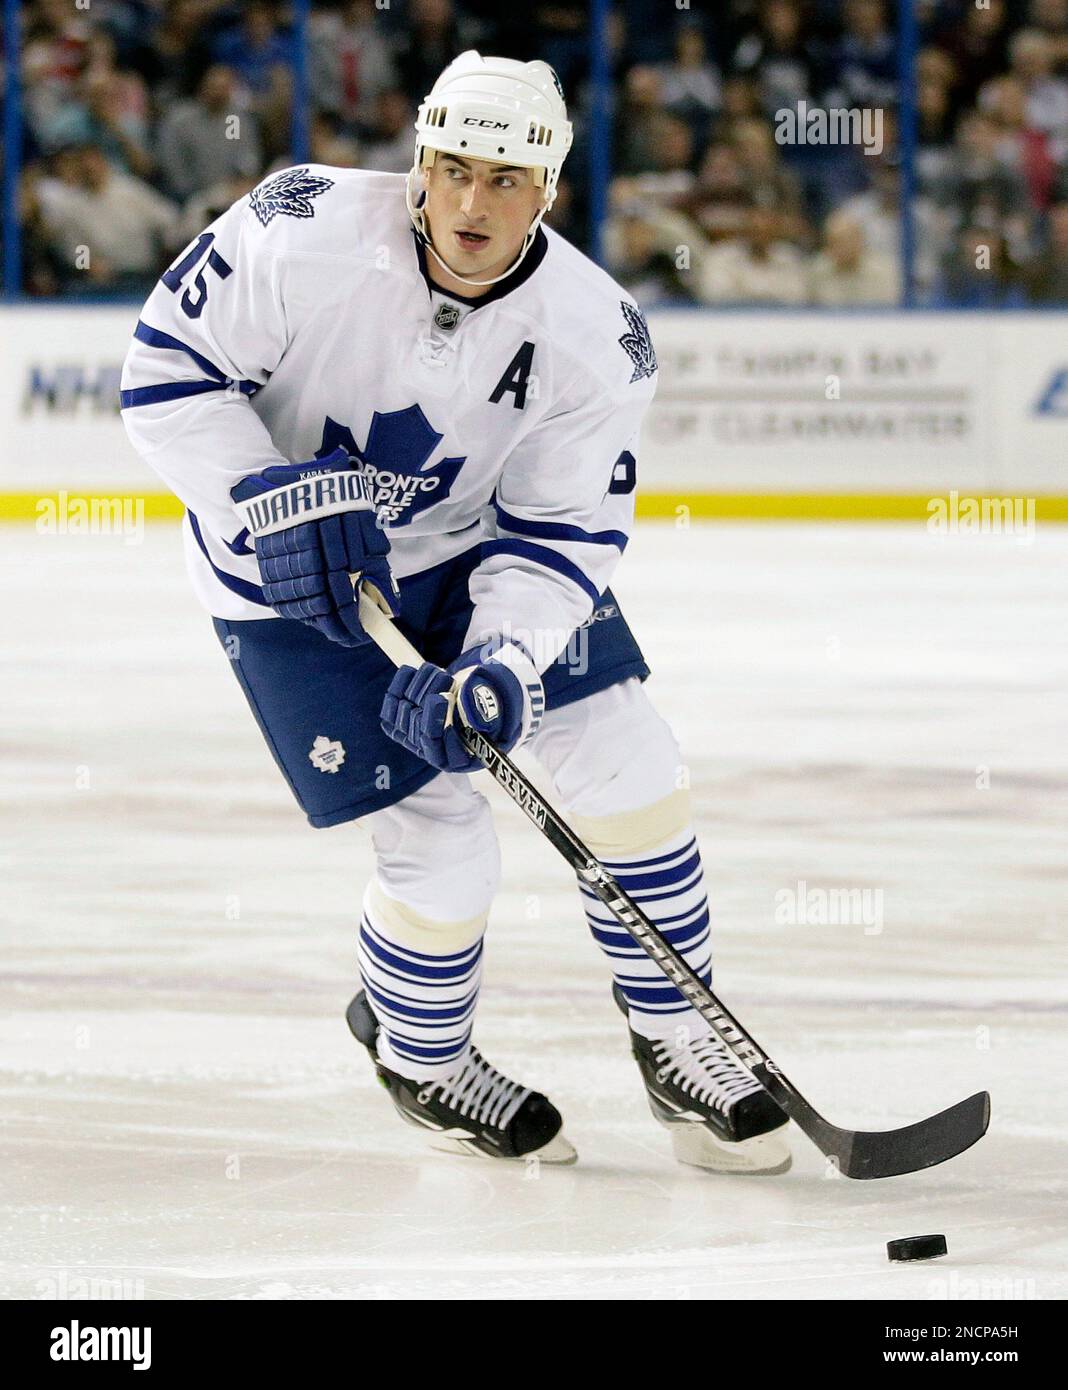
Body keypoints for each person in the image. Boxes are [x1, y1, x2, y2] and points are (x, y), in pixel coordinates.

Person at [120, 52, 790, 1175]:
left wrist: (502, 664)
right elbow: (165, 370)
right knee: (445, 850)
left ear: (551, 191)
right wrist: (262, 496)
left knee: (632, 772)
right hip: (295, 580)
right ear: (421, 161)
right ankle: (423, 1056)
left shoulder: (597, 334)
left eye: (507, 180)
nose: (473, 204)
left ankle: (682, 1040)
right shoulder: (301, 224)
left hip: (476, 551)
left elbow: (561, 535)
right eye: (455, 170)